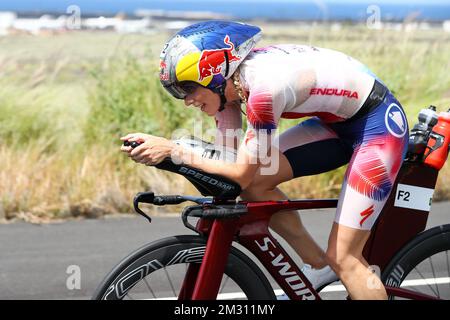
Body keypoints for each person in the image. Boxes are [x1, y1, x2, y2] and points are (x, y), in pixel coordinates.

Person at [120, 20, 409, 299]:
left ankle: (334, 264)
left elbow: (240, 172)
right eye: (178, 92)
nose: (186, 100)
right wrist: (176, 155)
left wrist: (175, 151)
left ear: (214, 74)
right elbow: (230, 169)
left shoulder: (263, 91)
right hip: (335, 123)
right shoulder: (229, 89)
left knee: (345, 257)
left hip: (377, 127)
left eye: (188, 88)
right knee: (255, 185)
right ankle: (318, 265)